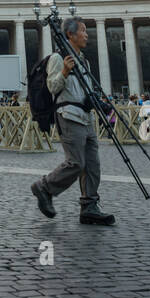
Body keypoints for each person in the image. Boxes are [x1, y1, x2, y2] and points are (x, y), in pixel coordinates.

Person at [30, 17, 115, 226]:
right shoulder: (58, 58)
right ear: (70, 34)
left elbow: (85, 90)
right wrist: (65, 72)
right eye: (83, 31)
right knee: (76, 163)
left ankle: (90, 206)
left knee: (92, 165)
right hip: (68, 115)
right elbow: (52, 87)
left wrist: (99, 103)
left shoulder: (83, 60)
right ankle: (44, 187)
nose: (86, 34)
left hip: (86, 117)